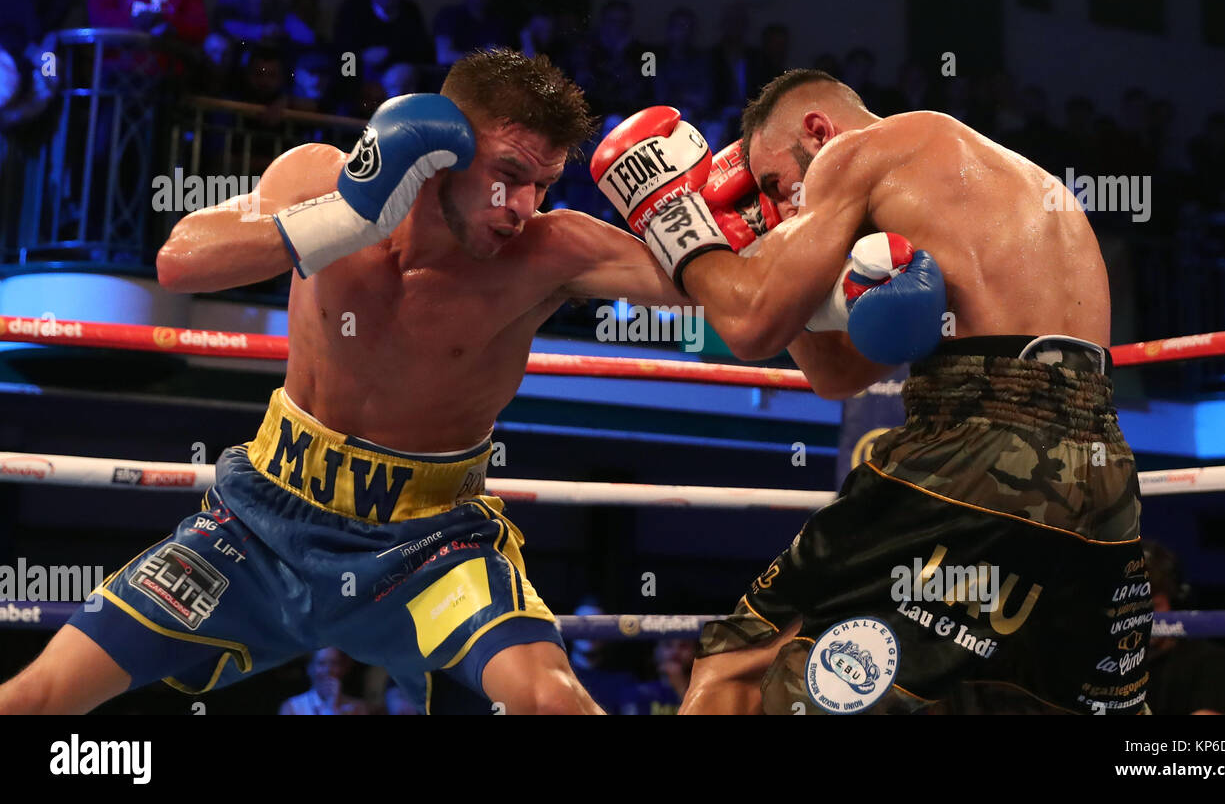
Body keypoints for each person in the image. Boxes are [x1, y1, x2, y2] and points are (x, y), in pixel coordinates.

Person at [0, 49, 718, 715]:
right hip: (258, 524)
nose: (523, 204)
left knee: (552, 700)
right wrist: (347, 215)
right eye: (508, 172)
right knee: (40, 692)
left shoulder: (553, 250)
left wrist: (710, 211)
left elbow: (729, 302)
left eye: (542, 184)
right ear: (443, 143)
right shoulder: (320, 179)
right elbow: (180, 261)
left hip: (432, 543)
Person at [593, 69, 1151, 714]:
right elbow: (838, 377)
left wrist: (676, 220)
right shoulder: (1008, 183)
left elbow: (748, 324)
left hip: (975, 449)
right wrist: (770, 248)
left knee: (738, 667)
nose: (781, 208)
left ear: (817, 130)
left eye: (773, 185)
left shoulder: (857, 152)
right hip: (1105, 471)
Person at [1142, 541, 1225, 715]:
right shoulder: (1111, 664)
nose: (1142, 617)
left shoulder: (1211, 662)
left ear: (1175, 602)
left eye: (1154, 606)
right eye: (1132, 608)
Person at [278, 648, 369, 715]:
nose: (328, 670)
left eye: (334, 663)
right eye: (321, 663)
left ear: (343, 668)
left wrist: (334, 707)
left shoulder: (358, 707)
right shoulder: (292, 707)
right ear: (310, 668)